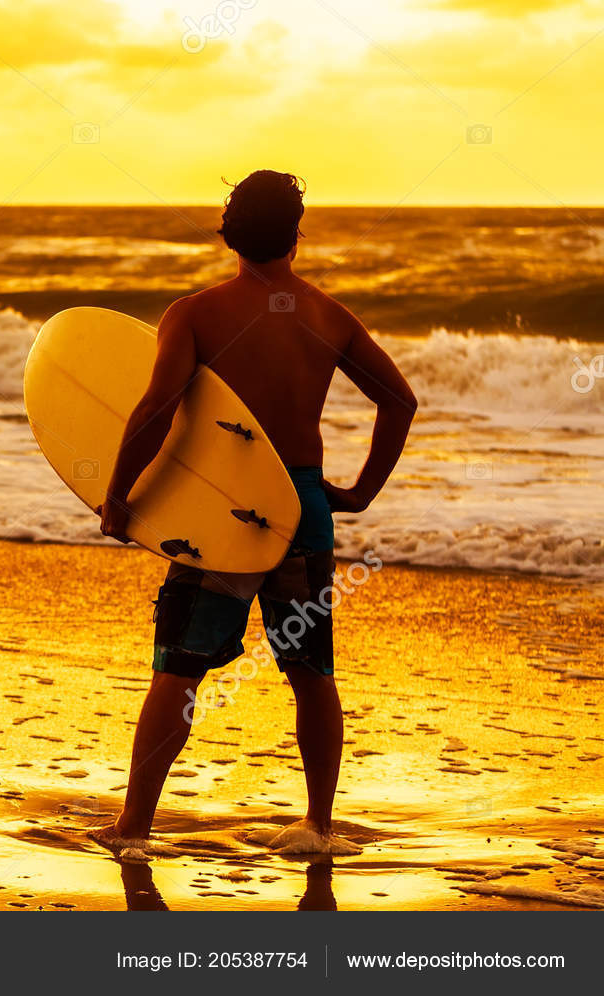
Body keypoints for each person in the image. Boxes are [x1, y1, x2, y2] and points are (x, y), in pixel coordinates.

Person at [91, 170, 416, 857]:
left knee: (177, 669)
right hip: (302, 509)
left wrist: (121, 493)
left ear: (230, 230)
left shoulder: (196, 313)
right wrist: (358, 492)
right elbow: (400, 400)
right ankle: (320, 827)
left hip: (220, 511)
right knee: (312, 671)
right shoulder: (329, 315)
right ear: (297, 235)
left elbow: (155, 411)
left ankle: (135, 827)